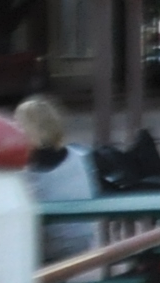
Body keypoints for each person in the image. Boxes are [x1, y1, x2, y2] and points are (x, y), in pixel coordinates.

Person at [13, 96, 100, 260]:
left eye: (17, 125)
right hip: (82, 239)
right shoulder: (79, 155)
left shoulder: (33, 168)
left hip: (54, 244)